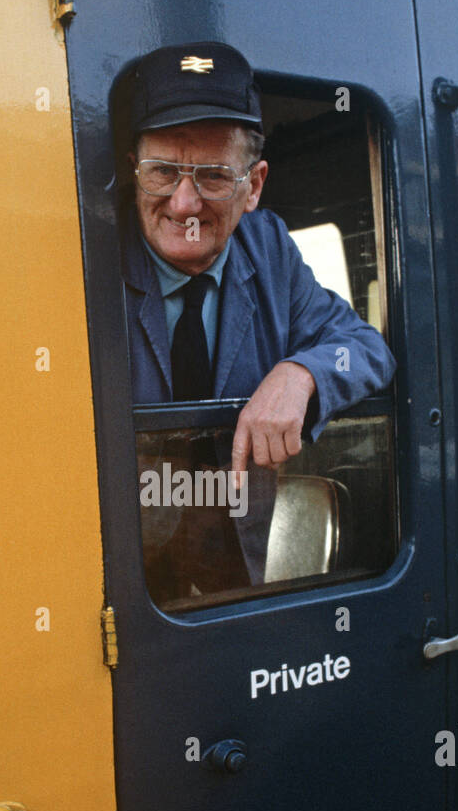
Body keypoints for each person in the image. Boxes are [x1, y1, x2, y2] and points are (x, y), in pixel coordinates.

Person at [120, 41, 396, 596]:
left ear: (255, 186)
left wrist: (303, 374)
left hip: (239, 575)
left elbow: (365, 347)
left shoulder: (266, 247)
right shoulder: (93, 255)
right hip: (126, 580)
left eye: (214, 177)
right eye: (163, 172)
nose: (183, 203)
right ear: (134, 172)